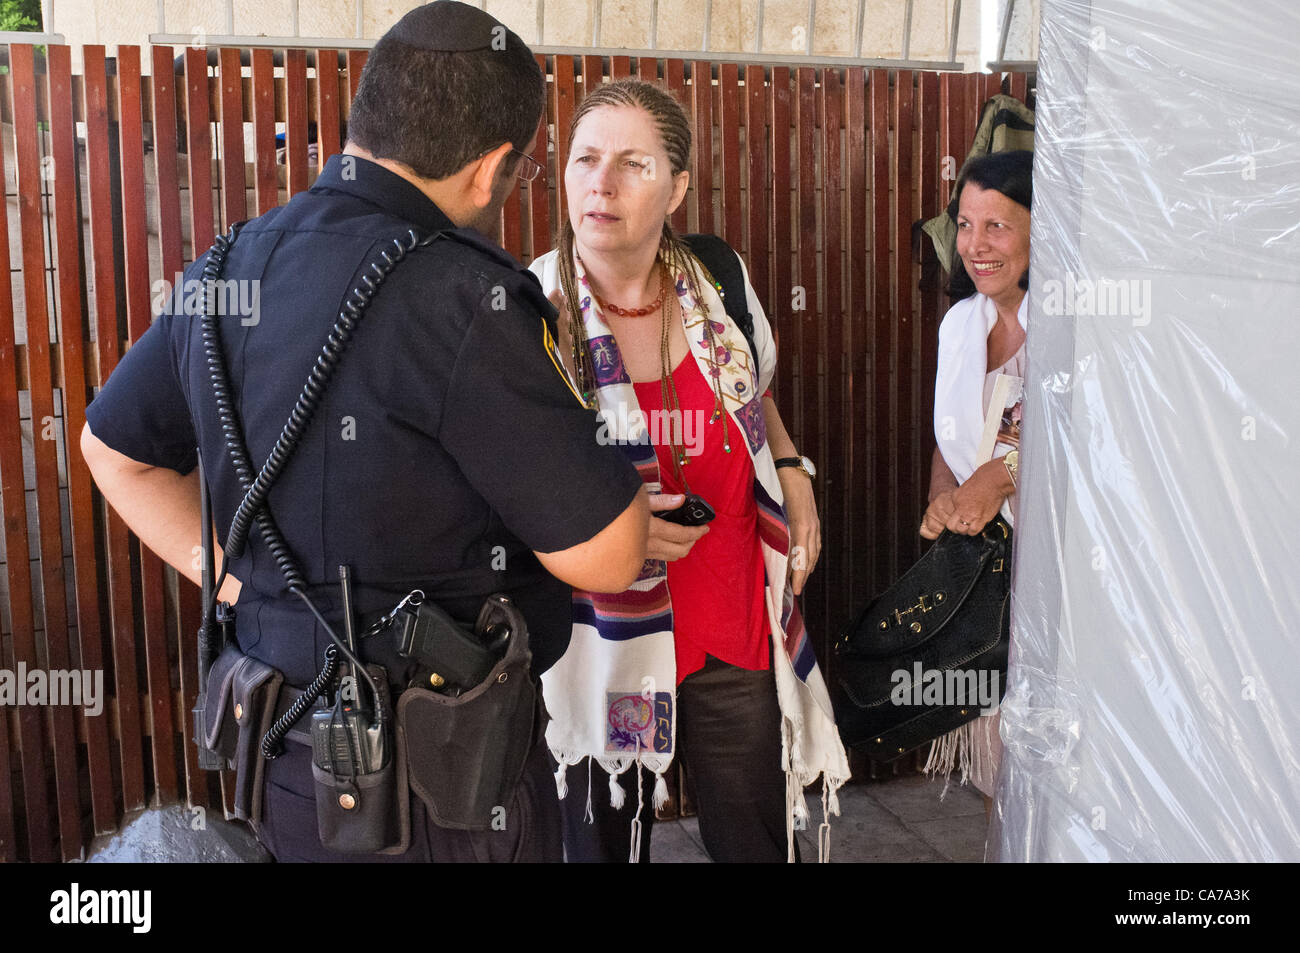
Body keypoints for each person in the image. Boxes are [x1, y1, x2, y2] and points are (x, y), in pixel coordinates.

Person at [79, 1, 649, 862]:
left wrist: (233, 580)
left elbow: (111, 451)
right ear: (493, 165)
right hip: (447, 795)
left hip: (282, 774)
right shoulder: (469, 298)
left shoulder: (223, 269)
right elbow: (607, 554)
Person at [528, 79, 850, 863]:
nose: (600, 182)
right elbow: (507, 486)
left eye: (633, 164)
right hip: (603, 633)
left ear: (677, 187)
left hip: (732, 618)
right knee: (606, 841)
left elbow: (755, 395)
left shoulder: (718, 280)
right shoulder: (528, 308)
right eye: (584, 159)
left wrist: (792, 467)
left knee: (752, 840)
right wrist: (608, 532)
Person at [919, 150, 1033, 809]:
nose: (975, 246)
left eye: (998, 226)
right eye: (965, 224)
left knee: (1047, 745)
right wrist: (943, 494)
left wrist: (1004, 474)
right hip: (981, 578)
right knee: (993, 743)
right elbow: (949, 436)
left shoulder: (1078, 323)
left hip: (1056, 575)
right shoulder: (961, 324)